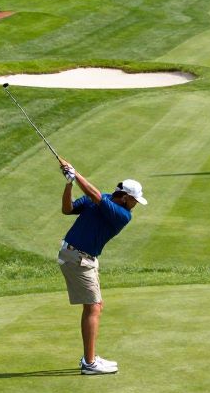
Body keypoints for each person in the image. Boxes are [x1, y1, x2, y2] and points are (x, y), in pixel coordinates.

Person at [57, 158, 147, 375]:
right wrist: (69, 183)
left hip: (85, 259)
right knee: (93, 307)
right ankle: (89, 363)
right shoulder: (100, 199)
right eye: (134, 200)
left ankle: (90, 358)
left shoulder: (122, 215)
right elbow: (67, 209)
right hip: (76, 258)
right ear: (125, 197)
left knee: (95, 306)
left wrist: (75, 175)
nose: (136, 204)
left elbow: (95, 196)